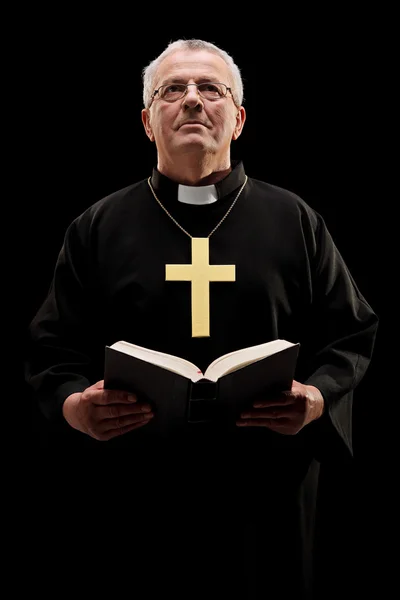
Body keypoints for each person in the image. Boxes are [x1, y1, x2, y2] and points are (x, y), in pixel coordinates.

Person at [25, 38, 378, 599]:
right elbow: (50, 349)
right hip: (134, 497)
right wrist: (74, 407)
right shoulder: (97, 227)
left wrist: (315, 399)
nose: (192, 100)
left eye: (210, 89)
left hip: (267, 495)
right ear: (148, 121)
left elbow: (351, 333)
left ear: (237, 119)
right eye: (173, 90)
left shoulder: (294, 220)